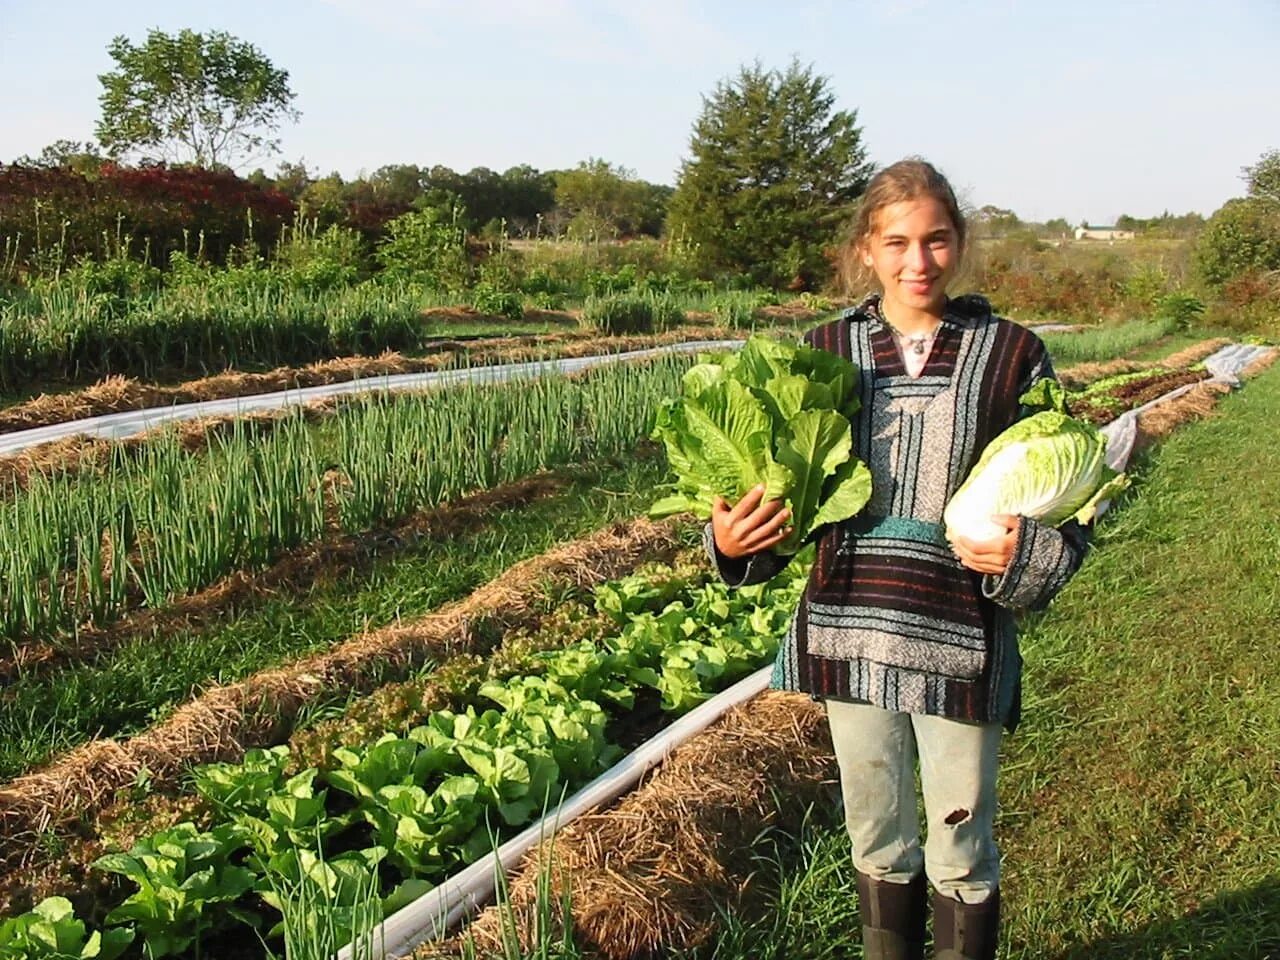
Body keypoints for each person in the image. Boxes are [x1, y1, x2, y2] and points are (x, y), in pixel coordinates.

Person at [703, 158, 1089, 960]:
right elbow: (775, 499)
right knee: (876, 835)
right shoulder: (821, 351)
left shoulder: (1011, 353)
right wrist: (732, 545)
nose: (919, 262)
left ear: (960, 243)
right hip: (849, 632)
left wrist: (1030, 553)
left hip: (959, 635)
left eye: (937, 240)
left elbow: (1074, 502)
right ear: (867, 250)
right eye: (898, 242)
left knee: (962, 845)